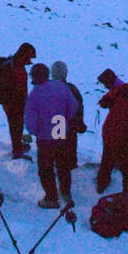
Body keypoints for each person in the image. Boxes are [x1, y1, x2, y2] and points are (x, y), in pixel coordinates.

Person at [24, 63, 79, 209]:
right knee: (63, 164)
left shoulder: (34, 94)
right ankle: (66, 193)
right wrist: (63, 119)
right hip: (59, 128)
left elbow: (30, 121)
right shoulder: (60, 87)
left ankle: (51, 198)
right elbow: (73, 106)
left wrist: (35, 131)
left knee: (46, 167)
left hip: (44, 135)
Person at [49, 61, 85, 184]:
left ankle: (57, 174)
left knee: (56, 151)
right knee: (70, 151)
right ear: (65, 74)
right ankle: (72, 174)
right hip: (71, 127)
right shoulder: (72, 89)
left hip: (55, 127)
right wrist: (80, 123)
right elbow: (79, 107)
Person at [1, 42, 35, 159]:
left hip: (12, 102)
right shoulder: (15, 67)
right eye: (29, 57)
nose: (30, 60)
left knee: (16, 125)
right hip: (14, 102)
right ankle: (17, 151)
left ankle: (17, 147)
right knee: (16, 125)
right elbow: (18, 87)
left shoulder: (14, 64)